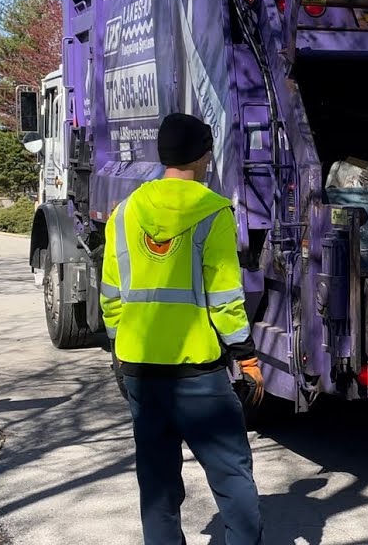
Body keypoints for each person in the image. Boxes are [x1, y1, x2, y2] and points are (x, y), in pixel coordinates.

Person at [101, 112, 265, 545]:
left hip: (139, 368)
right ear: (203, 156)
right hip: (198, 373)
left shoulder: (124, 212)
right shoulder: (213, 212)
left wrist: (118, 349)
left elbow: (111, 294)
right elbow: (225, 298)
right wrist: (246, 356)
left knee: (157, 482)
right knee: (231, 474)